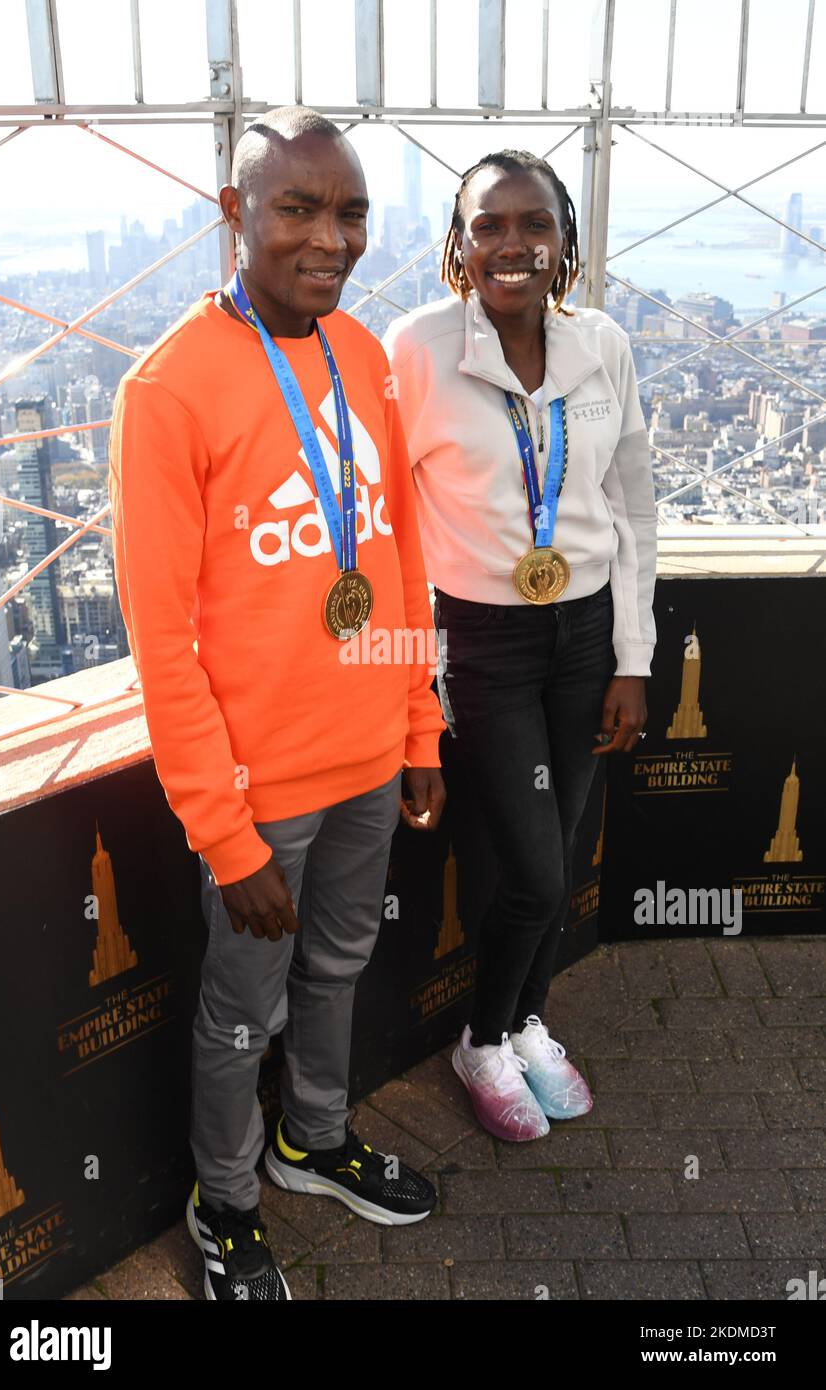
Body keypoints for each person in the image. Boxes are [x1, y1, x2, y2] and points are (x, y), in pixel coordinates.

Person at [108, 106, 446, 1301]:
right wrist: (220, 826)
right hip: (257, 794)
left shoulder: (360, 355)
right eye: (296, 207)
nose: (329, 237)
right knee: (237, 1014)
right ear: (233, 214)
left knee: (338, 968)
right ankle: (228, 1199)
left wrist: (417, 725)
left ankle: (311, 1138)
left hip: (365, 762)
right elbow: (161, 642)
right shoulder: (168, 390)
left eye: (348, 211)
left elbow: (393, 553)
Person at [383, 149, 657, 1144]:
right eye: (486, 225)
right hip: (481, 642)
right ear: (457, 243)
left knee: (564, 847)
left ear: (562, 240)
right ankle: (481, 1039)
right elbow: (383, 519)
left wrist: (633, 656)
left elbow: (630, 505)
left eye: (531, 224)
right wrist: (409, 674)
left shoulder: (603, 347)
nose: (511, 244)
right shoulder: (415, 348)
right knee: (536, 874)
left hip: (583, 631)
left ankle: (529, 1022)